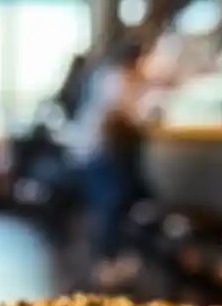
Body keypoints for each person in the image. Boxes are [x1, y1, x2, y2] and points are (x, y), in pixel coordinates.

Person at [67, 41, 151, 289]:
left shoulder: (110, 76)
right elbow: (121, 115)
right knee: (109, 204)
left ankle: (108, 260)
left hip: (93, 150)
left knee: (111, 204)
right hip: (98, 152)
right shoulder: (117, 78)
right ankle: (105, 263)